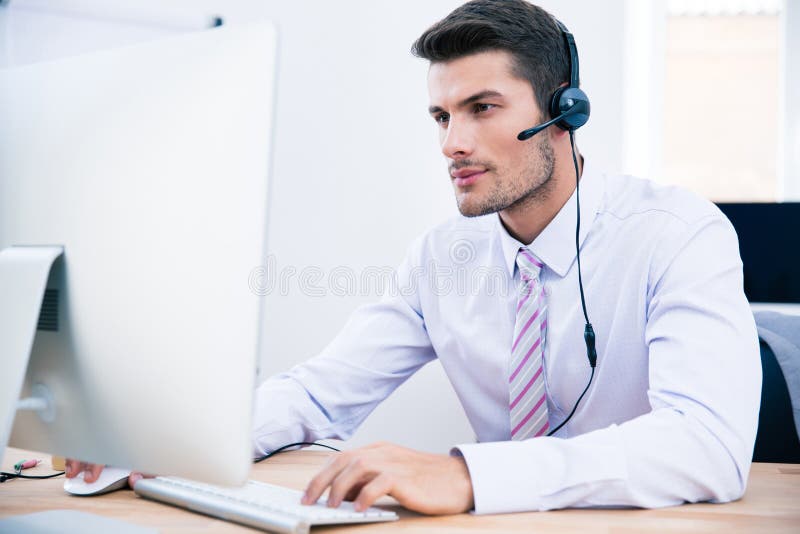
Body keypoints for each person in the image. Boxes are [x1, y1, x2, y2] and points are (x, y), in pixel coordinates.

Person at [68, 0, 762, 516]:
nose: (452, 143)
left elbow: (706, 444)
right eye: (441, 116)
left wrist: (468, 475)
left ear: (565, 110)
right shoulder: (442, 259)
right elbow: (317, 393)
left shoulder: (676, 234)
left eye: (482, 107)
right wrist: (171, 441)